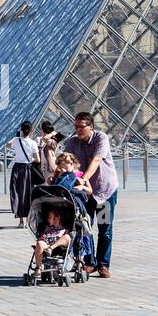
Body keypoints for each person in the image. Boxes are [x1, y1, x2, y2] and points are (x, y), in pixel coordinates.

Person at [61, 112, 120, 276]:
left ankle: (103, 265)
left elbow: (96, 160)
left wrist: (83, 179)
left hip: (104, 191)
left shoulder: (101, 138)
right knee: (84, 227)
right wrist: (56, 174)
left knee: (105, 229)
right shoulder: (73, 141)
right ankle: (90, 262)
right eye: (76, 126)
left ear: (91, 127)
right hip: (85, 195)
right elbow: (65, 161)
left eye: (81, 126)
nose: (78, 130)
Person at [7, 120, 41, 227]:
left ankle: (21, 221)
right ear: (31, 131)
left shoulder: (16, 140)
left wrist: (15, 137)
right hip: (27, 169)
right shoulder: (33, 143)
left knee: (17, 193)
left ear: (21, 129)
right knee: (27, 194)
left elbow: (7, 145)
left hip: (17, 168)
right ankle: (27, 221)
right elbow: (37, 160)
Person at [31, 208, 71, 275]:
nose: (48, 219)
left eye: (50, 217)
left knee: (67, 237)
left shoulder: (64, 229)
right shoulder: (47, 228)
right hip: (47, 246)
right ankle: (38, 267)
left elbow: (68, 237)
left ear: (56, 218)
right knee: (39, 243)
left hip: (59, 247)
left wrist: (51, 246)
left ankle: (51, 248)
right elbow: (43, 238)